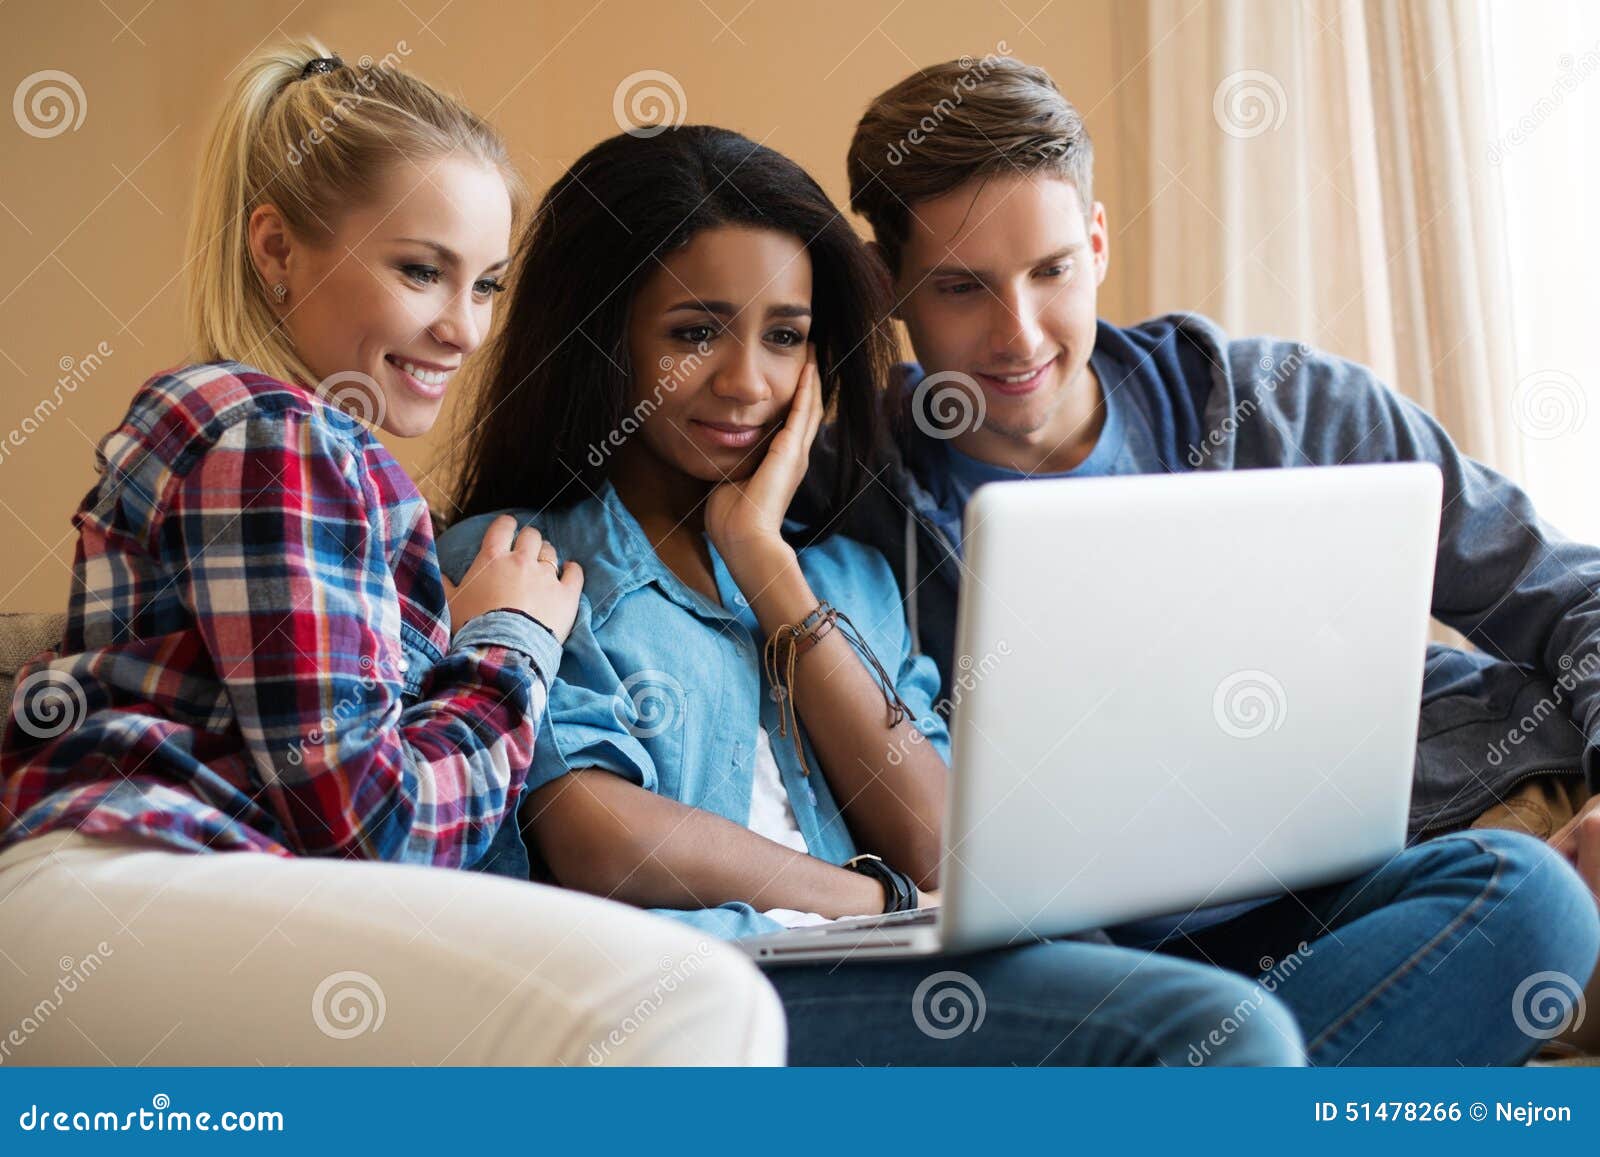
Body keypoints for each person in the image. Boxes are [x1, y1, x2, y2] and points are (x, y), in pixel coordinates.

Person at [796, 54, 1600, 1058]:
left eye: (1050, 270)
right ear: (887, 287)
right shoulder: (848, 506)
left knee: (1539, 903)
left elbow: (1570, 589)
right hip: (1172, 973)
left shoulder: (1273, 400)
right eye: (960, 287)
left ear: (1096, 245)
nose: (1018, 333)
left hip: (1460, 840)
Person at [0, 39, 784, 1067]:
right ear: (274, 249)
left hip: (192, 886)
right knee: (689, 1001)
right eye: (420, 270)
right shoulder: (273, 436)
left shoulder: (312, 451)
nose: (463, 328)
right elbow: (373, 829)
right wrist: (508, 640)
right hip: (127, 881)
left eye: (488, 284)